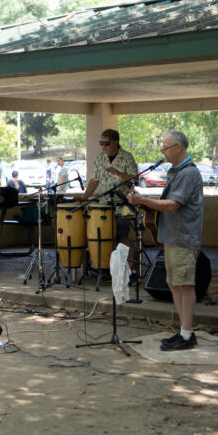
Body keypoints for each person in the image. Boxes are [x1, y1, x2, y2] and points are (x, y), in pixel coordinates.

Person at [127, 130, 204, 351]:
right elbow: (167, 202)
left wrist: (143, 200)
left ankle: (188, 335)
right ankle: (183, 331)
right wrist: (143, 200)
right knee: (174, 283)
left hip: (182, 237)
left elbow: (173, 205)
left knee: (184, 284)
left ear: (178, 148)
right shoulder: (176, 171)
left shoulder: (188, 173)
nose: (163, 153)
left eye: (166, 148)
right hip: (172, 235)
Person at [77, 129, 139, 275]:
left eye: (106, 143)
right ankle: (108, 269)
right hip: (104, 205)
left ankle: (131, 270)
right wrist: (84, 197)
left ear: (115, 142)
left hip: (122, 204)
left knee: (122, 236)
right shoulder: (100, 158)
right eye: (101, 143)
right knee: (104, 237)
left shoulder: (127, 157)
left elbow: (135, 178)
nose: (103, 147)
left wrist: (118, 173)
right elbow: (94, 180)